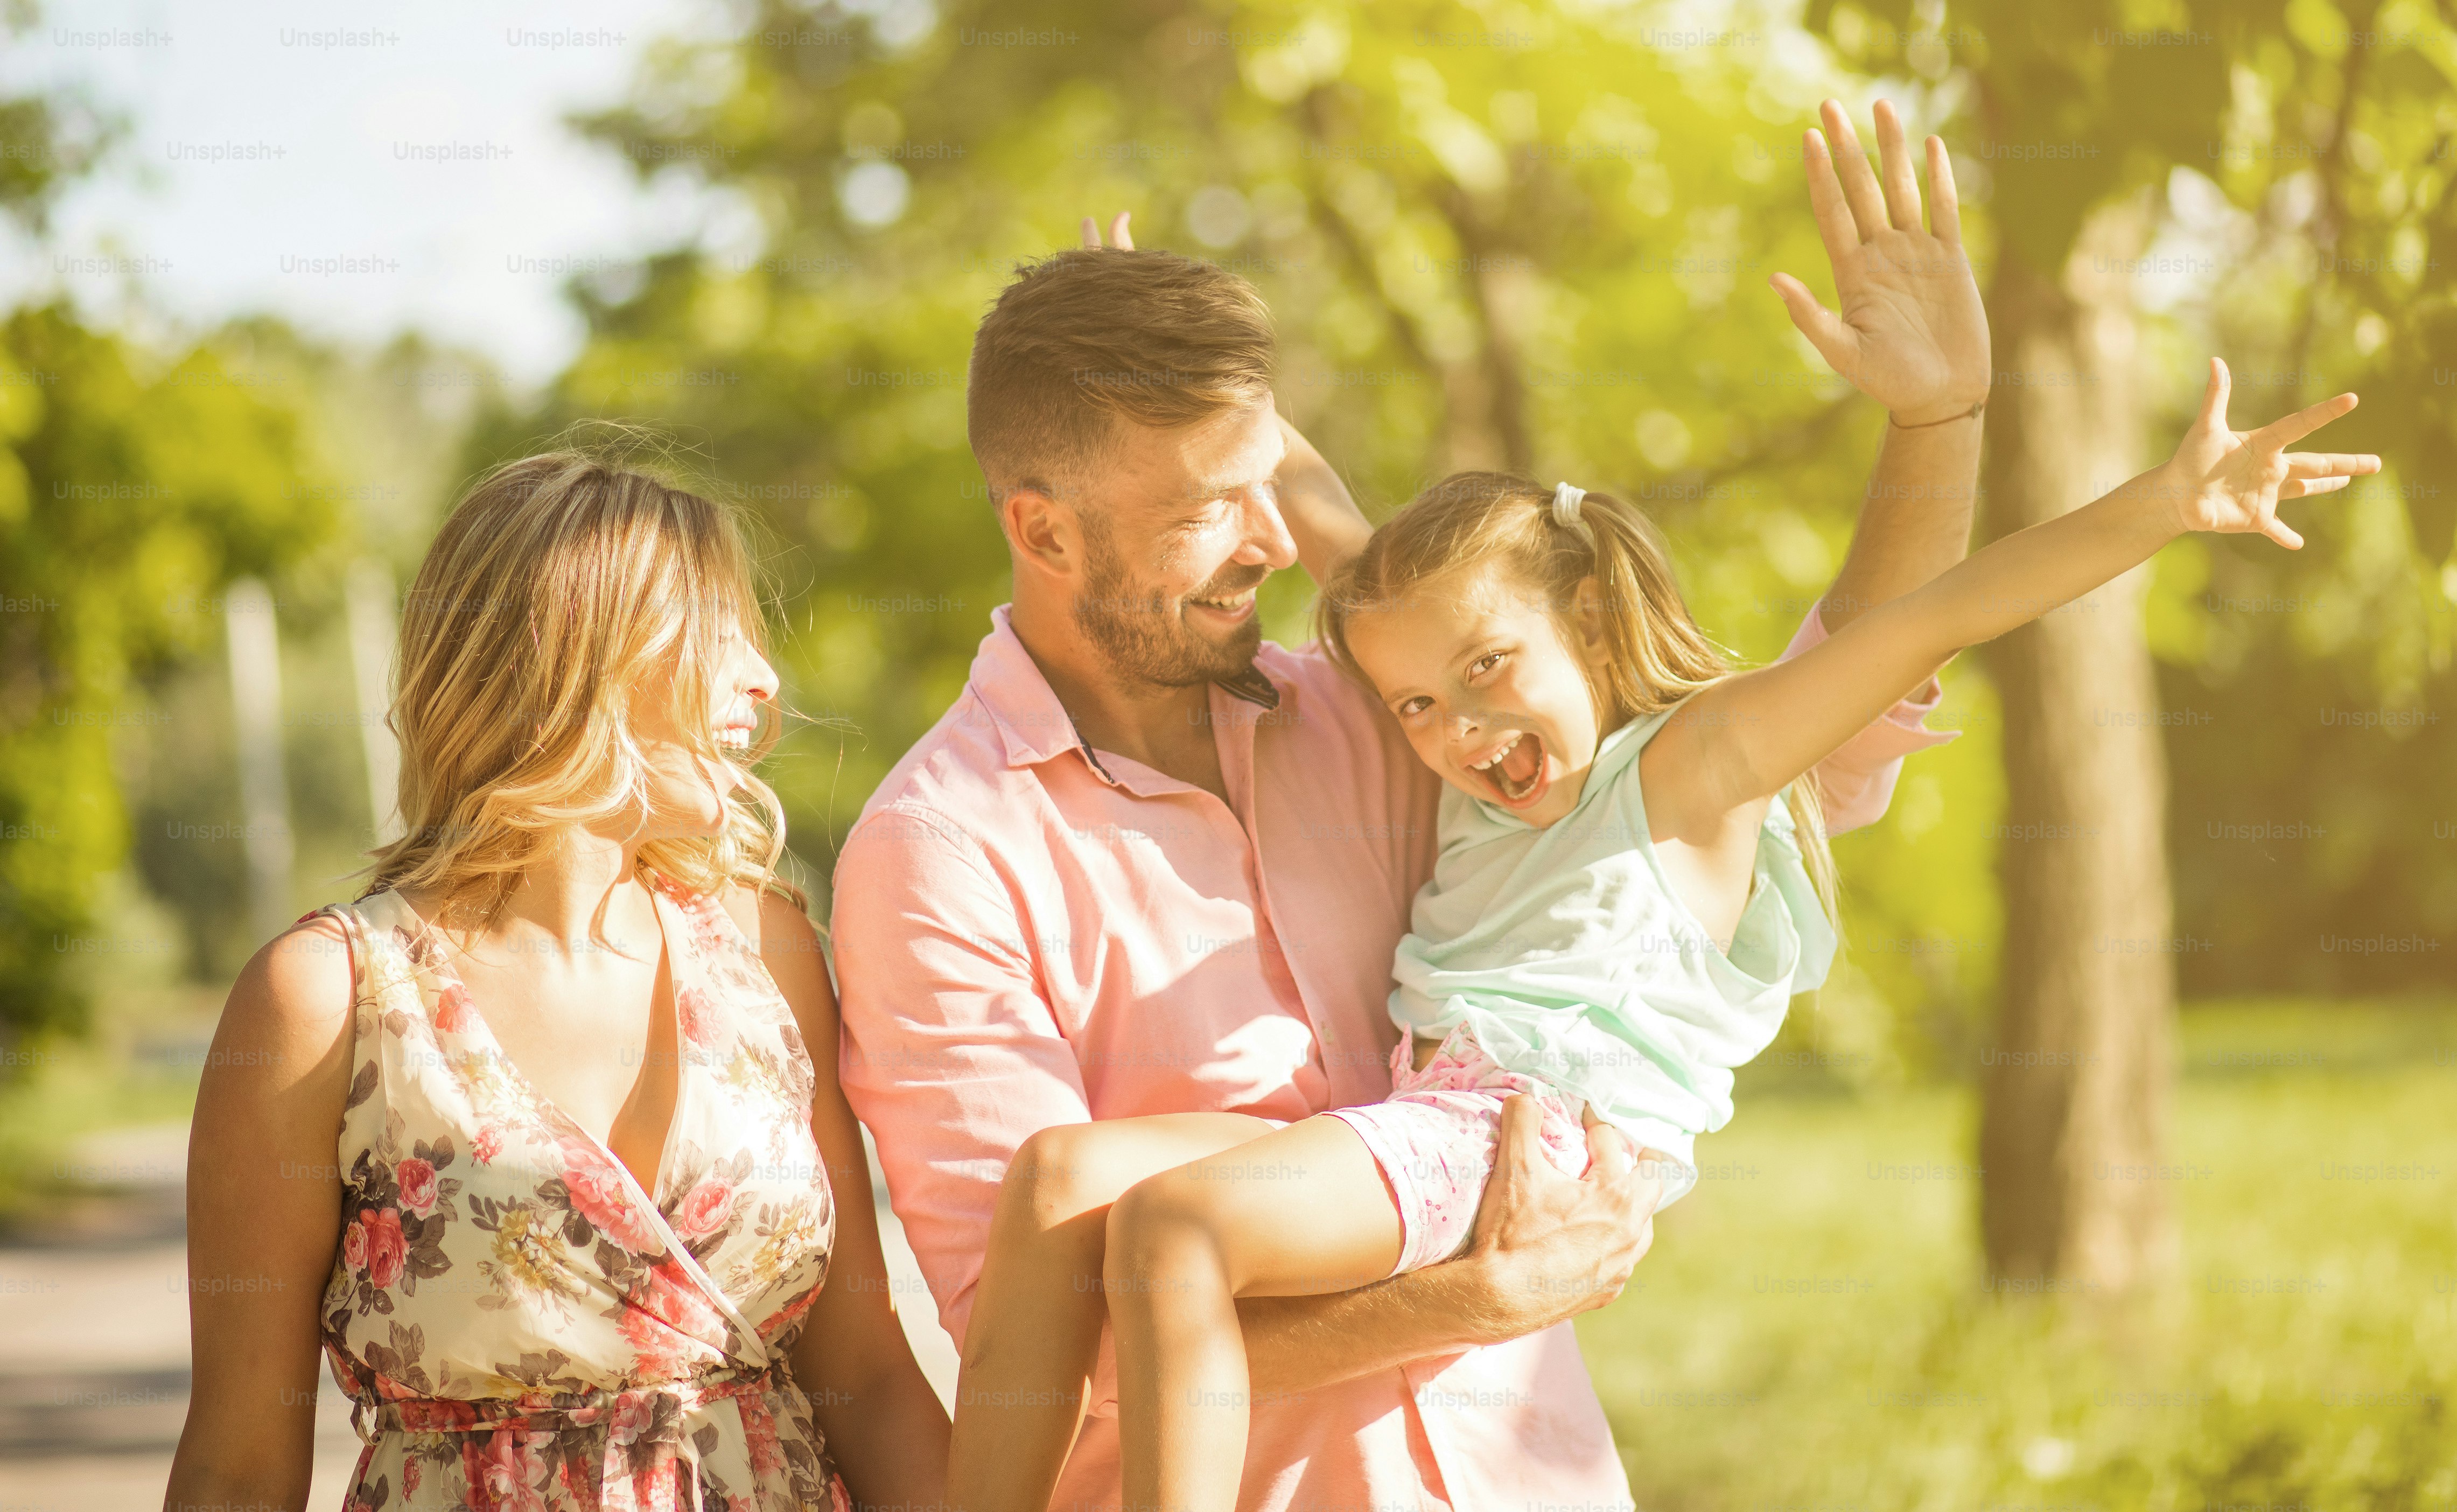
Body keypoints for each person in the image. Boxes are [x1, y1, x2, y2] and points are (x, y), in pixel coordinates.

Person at [950, 349, 2376, 1506]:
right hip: (1430, 1110)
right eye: (1417, 708)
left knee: (1175, 1233)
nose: (1457, 728)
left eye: (1490, 670)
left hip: (1523, 1133)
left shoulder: (1691, 769)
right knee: (1059, 1180)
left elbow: (1930, 617)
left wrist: (2167, 504)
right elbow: (1337, 534)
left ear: (1582, 611)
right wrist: (1156, 366)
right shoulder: (1486, 769)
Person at [840, 100, 1979, 1510]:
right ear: (1046, 530)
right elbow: (1029, 1332)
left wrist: (1934, 425)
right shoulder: (938, 854)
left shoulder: (1391, 725)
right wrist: (1468, 1296)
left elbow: (1804, 712)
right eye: (1209, 504)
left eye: (1268, 486)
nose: (1271, 542)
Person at [165, 452, 949, 1510]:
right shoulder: (326, 998)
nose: (764, 680)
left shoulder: (767, 955)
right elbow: (239, 1459)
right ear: (584, 657)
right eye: (723, 632)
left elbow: (869, 1379)